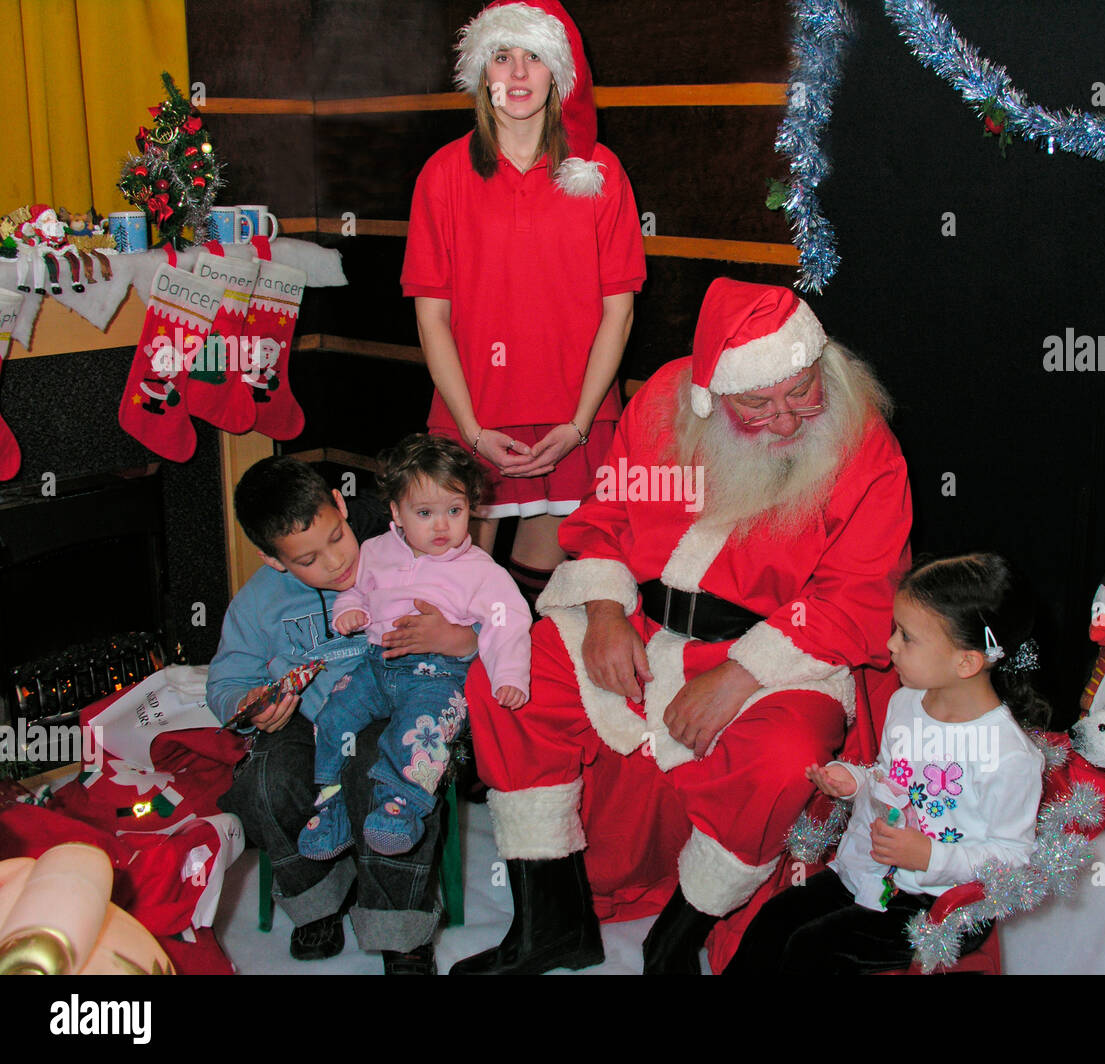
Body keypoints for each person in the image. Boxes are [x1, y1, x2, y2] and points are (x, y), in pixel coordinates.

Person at [450, 277, 913, 975]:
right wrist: (604, 611)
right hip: (644, 620)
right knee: (507, 683)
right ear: (712, 398)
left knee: (786, 758)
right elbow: (607, 515)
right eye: (758, 403)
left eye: (802, 393)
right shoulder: (667, 403)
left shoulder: (865, 445)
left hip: (787, 651)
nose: (786, 420)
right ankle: (551, 925)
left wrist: (741, 673)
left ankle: (676, 940)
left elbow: (859, 596)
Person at [401, 0, 647, 611]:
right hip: (475, 410)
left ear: (559, 72)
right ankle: (457, 702)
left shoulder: (603, 174)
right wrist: (472, 429)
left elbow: (619, 311)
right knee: (458, 583)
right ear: (481, 71)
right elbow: (431, 317)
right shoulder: (442, 174)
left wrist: (580, 423)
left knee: (544, 579)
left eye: (533, 56)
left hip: (572, 415)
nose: (516, 73)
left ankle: (516, 694)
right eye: (502, 56)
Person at [211, 457, 479, 975]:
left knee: (382, 777)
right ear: (273, 560)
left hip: (397, 708)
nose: (334, 563)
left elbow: (491, 624)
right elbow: (227, 680)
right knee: (266, 781)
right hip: (307, 722)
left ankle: (400, 928)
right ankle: (318, 901)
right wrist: (249, 706)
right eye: (307, 559)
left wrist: (456, 639)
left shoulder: (410, 556)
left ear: (340, 504)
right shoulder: (256, 604)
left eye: (337, 537)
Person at [725, 552, 1050, 974]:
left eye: (907, 637)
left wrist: (931, 855)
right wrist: (857, 782)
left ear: (966, 661)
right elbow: (894, 779)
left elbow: (1013, 857)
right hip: (871, 873)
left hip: (937, 905)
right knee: (776, 919)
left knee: (813, 950)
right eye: (896, 629)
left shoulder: (1009, 755)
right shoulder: (905, 703)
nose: (891, 644)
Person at [298, 435, 531, 861]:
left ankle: (399, 805)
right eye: (425, 513)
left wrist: (509, 674)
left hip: (439, 676)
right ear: (397, 513)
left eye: (454, 512)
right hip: (376, 664)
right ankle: (331, 800)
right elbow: (357, 592)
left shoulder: (479, 571)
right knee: (334, 714)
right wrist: (349, 611)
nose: (441, 527)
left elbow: (507, 622)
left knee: (422, 729)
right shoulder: (374, 551)